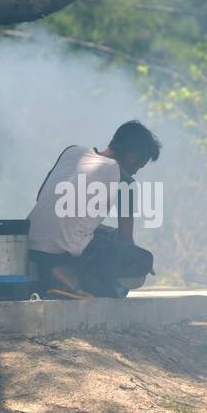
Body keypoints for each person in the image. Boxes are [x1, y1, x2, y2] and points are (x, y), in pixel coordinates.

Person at [26, 121, 160, 299]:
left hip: (30, 243)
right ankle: (67, 272)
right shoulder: (124, 180)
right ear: (132, 157)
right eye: (137, 167)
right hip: (61, 254)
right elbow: (126, 240)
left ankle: (55, 275)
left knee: (108, 234)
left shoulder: (71, 152)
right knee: (141, 259)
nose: (134, 173)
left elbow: (46, 200)